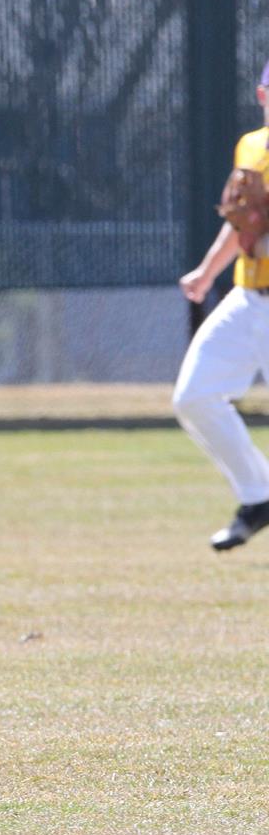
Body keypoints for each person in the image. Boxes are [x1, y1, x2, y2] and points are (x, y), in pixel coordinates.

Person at [174, 58, 269, 551]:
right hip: (247, 297)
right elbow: (242, 227)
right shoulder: (251, 147)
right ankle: (259, 494)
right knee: (193, 396)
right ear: (261, 95)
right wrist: (207, 273)